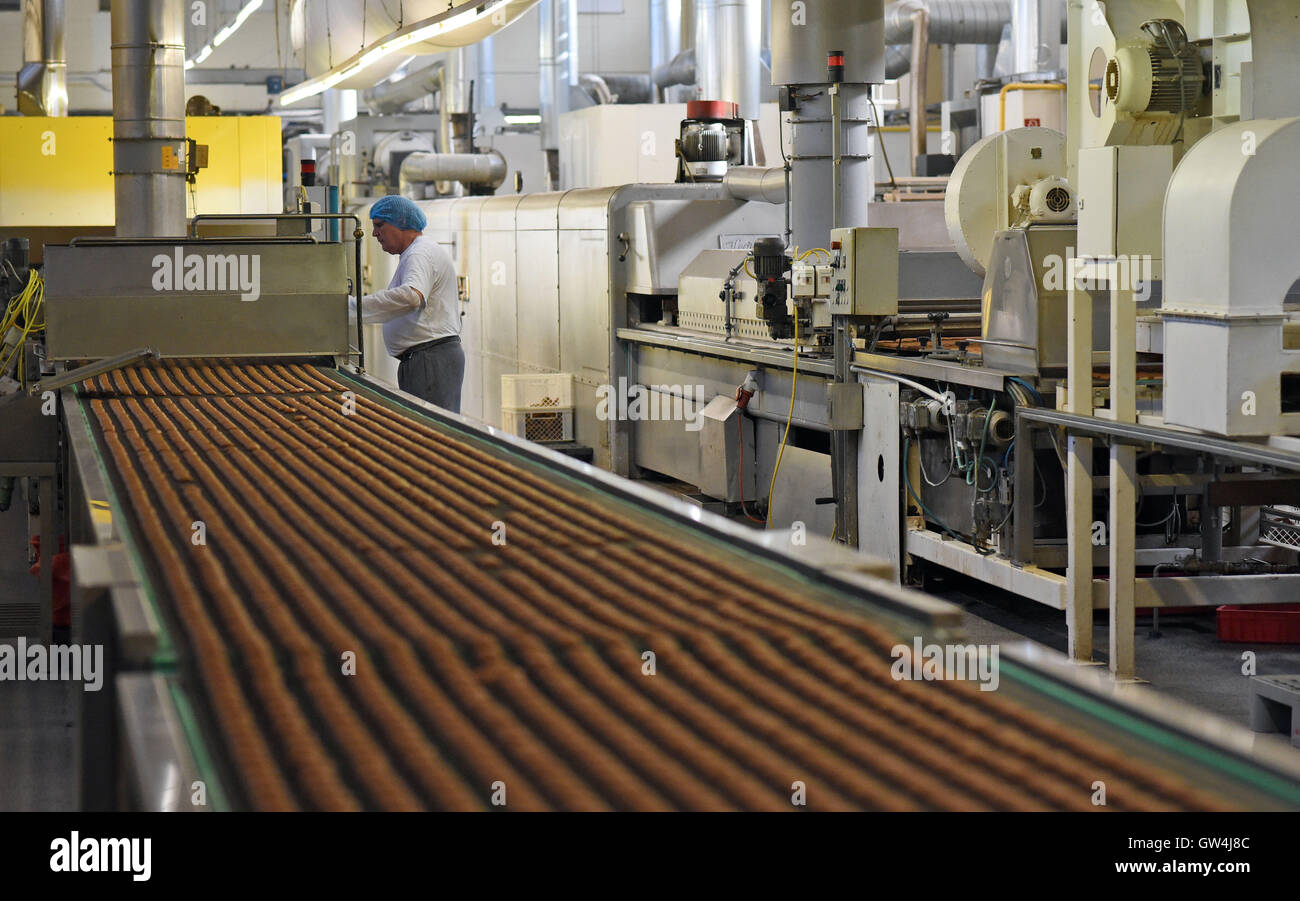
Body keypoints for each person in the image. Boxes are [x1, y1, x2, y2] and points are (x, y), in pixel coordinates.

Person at [350, 194, 465, 413]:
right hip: (425, 359)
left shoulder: (420, 252)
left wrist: (353, 307)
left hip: (430, 360)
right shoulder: (415, 252)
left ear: (401, 222)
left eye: (379, 225)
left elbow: (412, 296)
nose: (375, 233)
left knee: (431, 432)